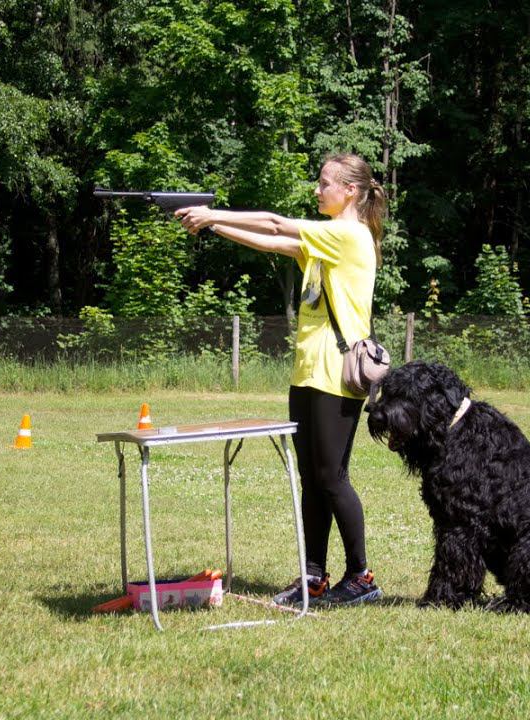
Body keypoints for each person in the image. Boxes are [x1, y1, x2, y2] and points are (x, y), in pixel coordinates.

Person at [175, 153, 386, 606]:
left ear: (350, 190)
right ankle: (313, 576)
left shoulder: (349, 235)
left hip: (336, 374)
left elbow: (274, 223)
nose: (317, 190)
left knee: (332, 478)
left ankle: (361, 577)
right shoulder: (327, 237)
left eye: (325, 183)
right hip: (308, 372)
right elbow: (271, 242)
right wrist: (213, 226)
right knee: (312, 479)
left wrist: (212, 213)